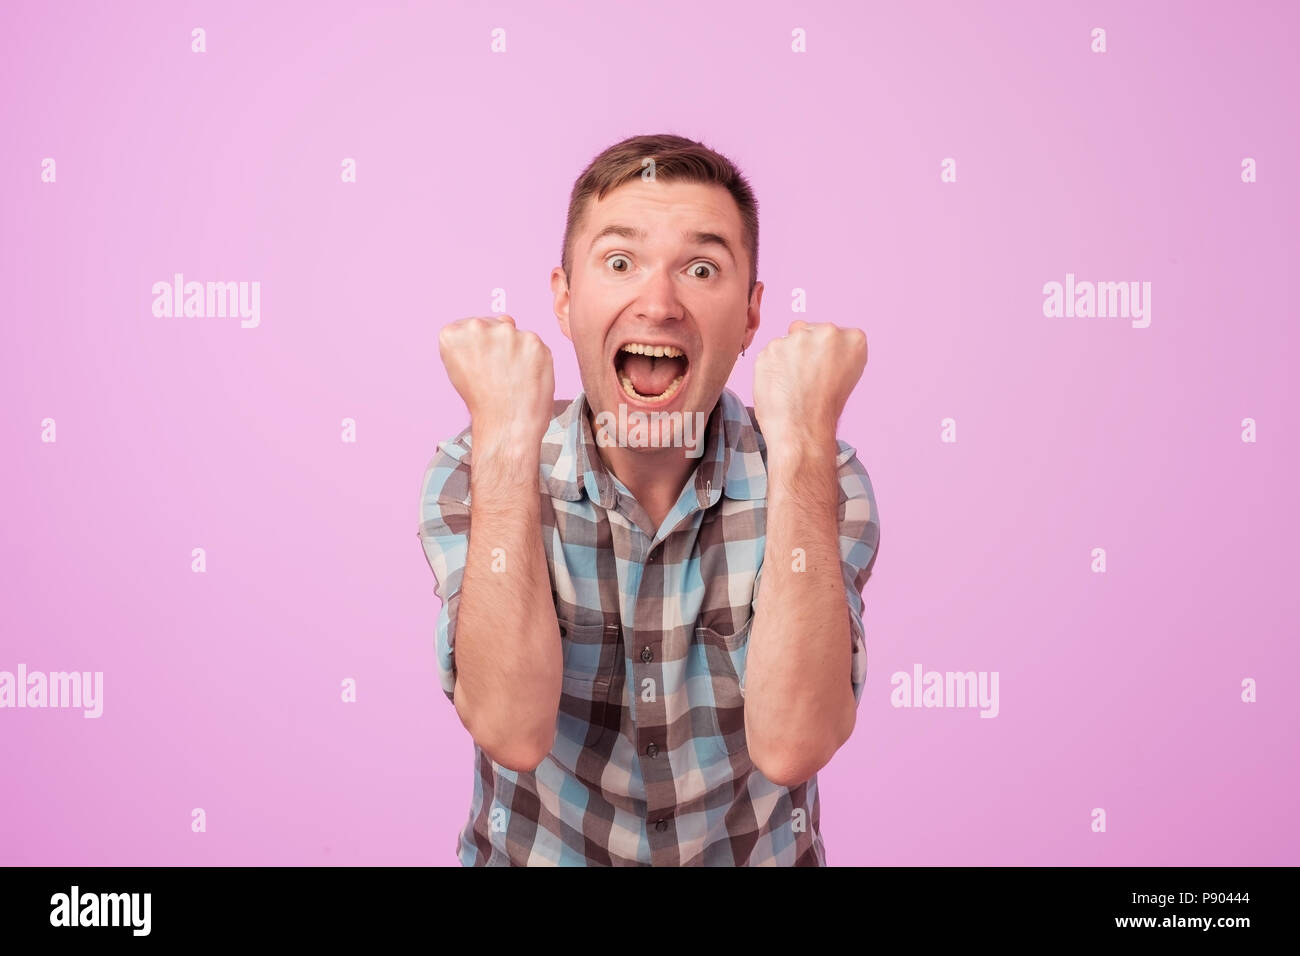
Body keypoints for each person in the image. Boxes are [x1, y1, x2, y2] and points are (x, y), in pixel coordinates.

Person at [417, 133, 880, 865]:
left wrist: (803, 444)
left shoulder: (823, 475)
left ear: (753, 316)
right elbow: (510, 728)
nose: (659, 303)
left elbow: (796, 743)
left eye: (701, 268)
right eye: (620, 262)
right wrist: (506, 439)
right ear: (565, 300)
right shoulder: (477, 467)